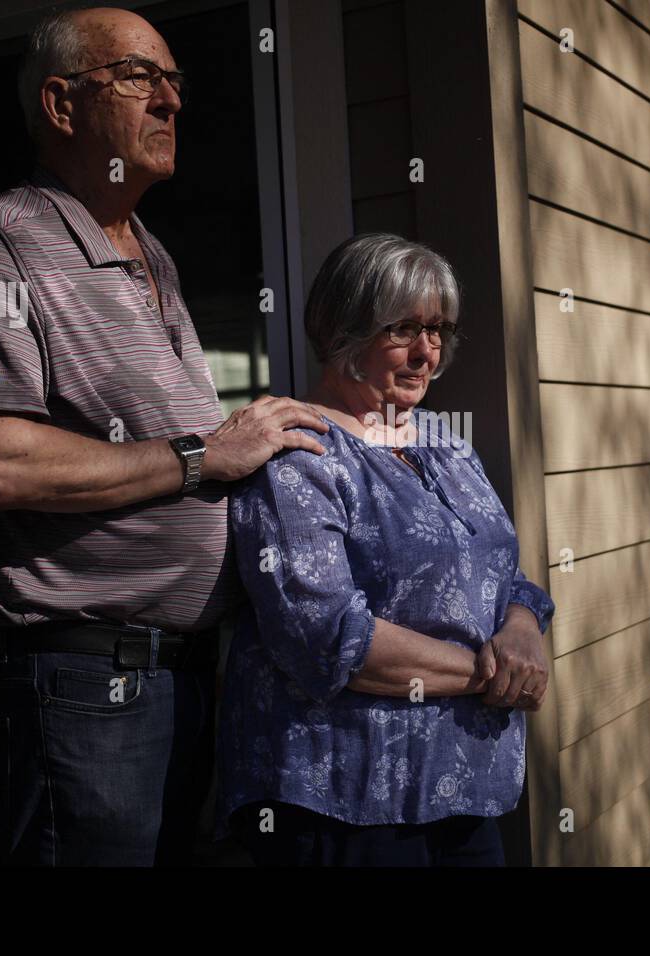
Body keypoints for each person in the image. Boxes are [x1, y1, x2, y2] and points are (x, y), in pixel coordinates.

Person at [0, 7, 327, 865]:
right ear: (63, 105)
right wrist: (201, 456)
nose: (172, 101)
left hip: (179, 675)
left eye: (175, 80)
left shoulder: (154, 253)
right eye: (142, 77)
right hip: (77, 685)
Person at [218, 233, 555, 866]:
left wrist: (523, 629)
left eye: (439, 331)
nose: (428, 352)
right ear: (345, 330)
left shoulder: (442, 440)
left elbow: (505, 574)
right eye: (403, 329)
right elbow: (327, 637)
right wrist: (490, 673)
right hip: (351, 804)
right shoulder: (299, 456)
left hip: (467, 789)